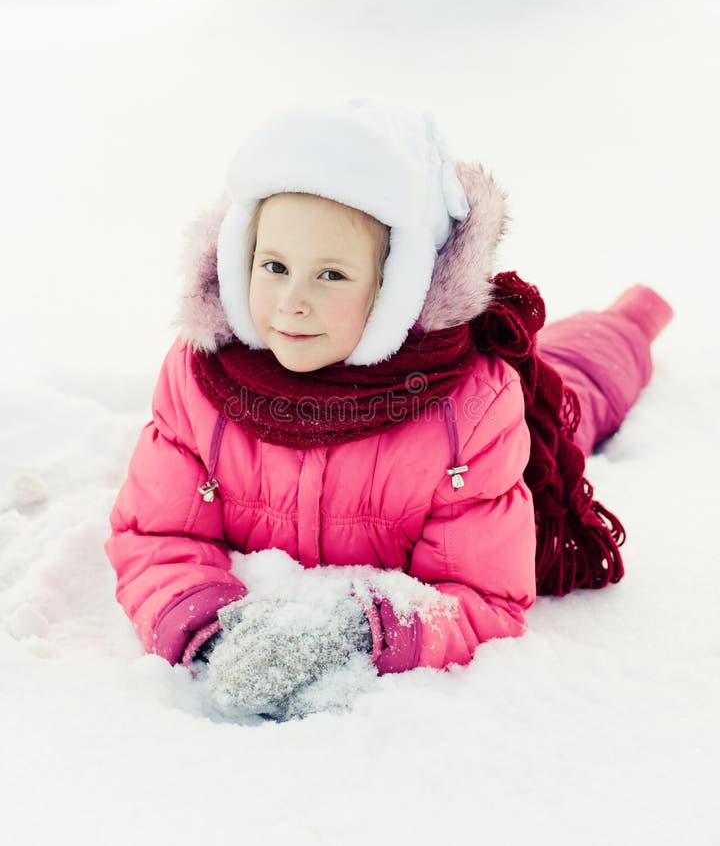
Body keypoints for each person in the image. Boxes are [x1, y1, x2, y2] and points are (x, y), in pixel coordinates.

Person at [104, 97, 673, 719]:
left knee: (580, 386)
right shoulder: (200, 380)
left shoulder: (471, 409)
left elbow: (486, 597)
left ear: (397, 286)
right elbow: (157, 536)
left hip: (509, 434)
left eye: (331, 276)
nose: (292, 301)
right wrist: (208, 626)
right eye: (274, 266)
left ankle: (631, 320)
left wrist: (359, 631)